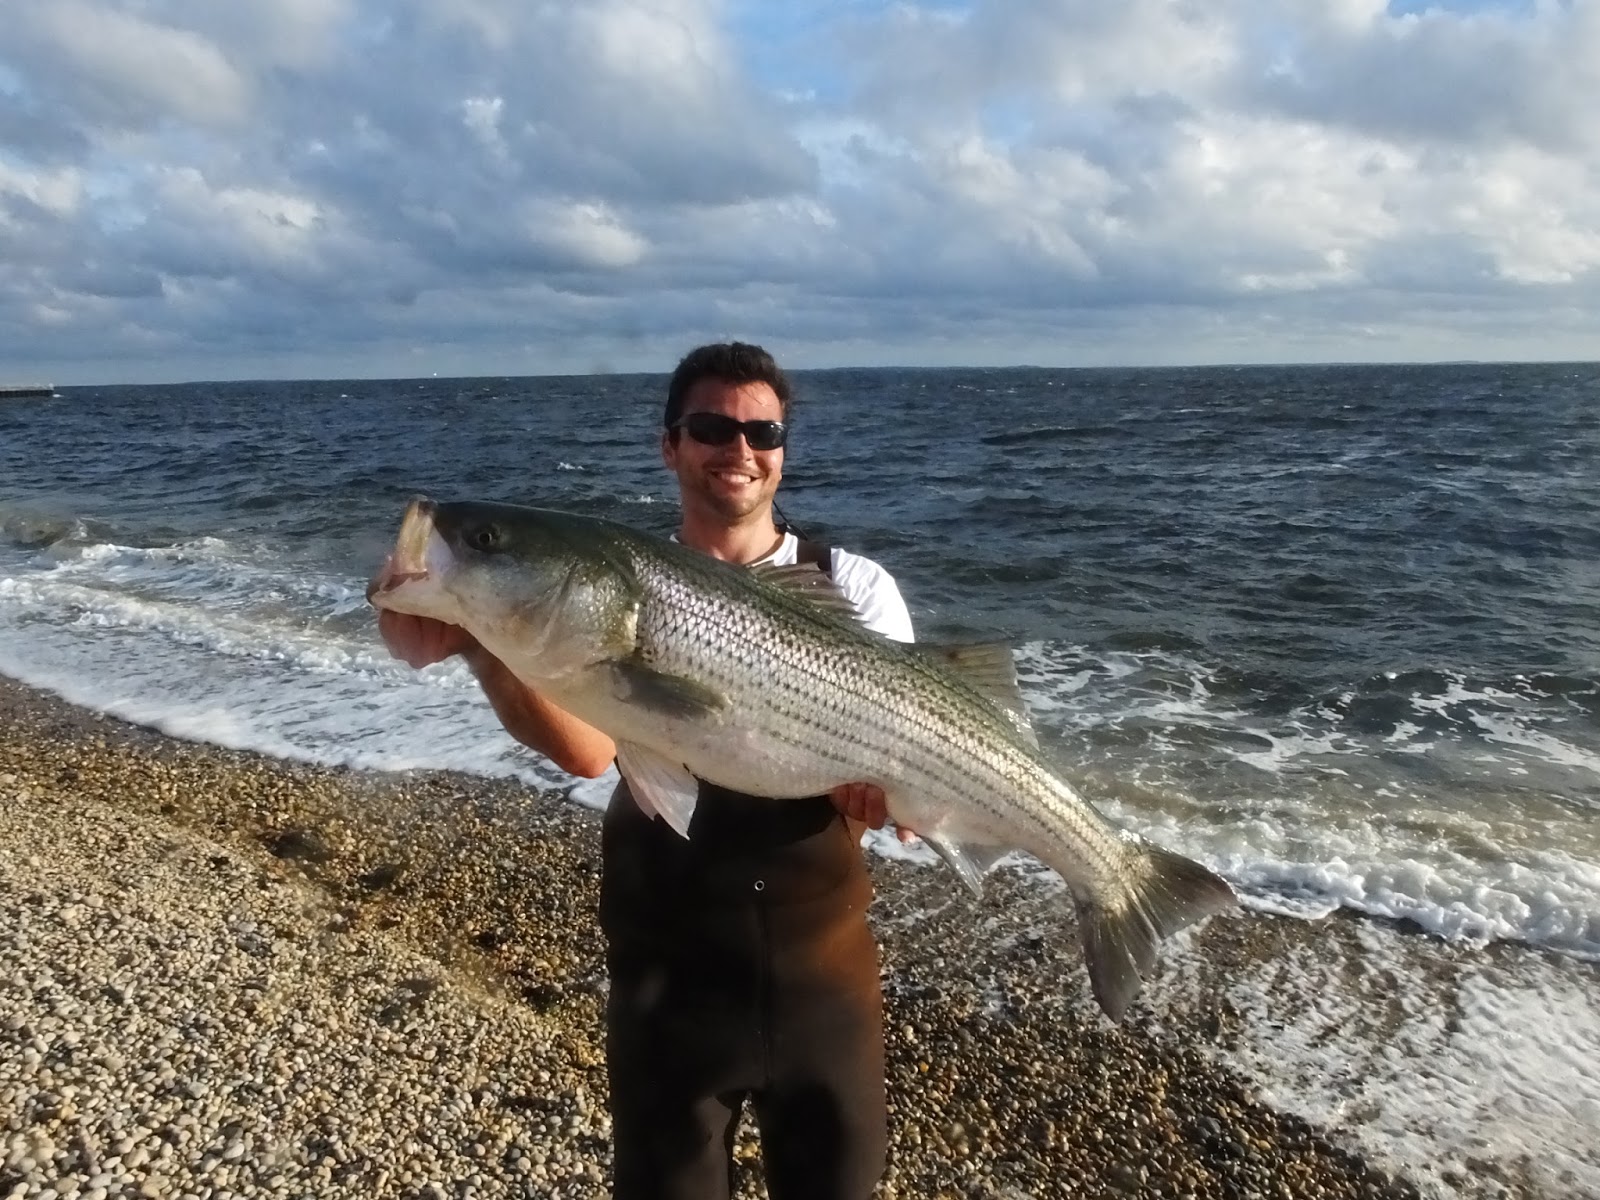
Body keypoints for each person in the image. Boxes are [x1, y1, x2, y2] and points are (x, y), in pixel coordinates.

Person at [378, 343, 914, 1200]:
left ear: (782, 447)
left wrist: (885, 798)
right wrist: (483, 639)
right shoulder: (617, 582)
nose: (738, 449)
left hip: (824, 988)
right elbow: (590, 752)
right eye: (711, 427)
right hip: (670, 994)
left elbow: (893, 789)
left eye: (761, 430)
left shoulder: (856, 586)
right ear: (670, 445)